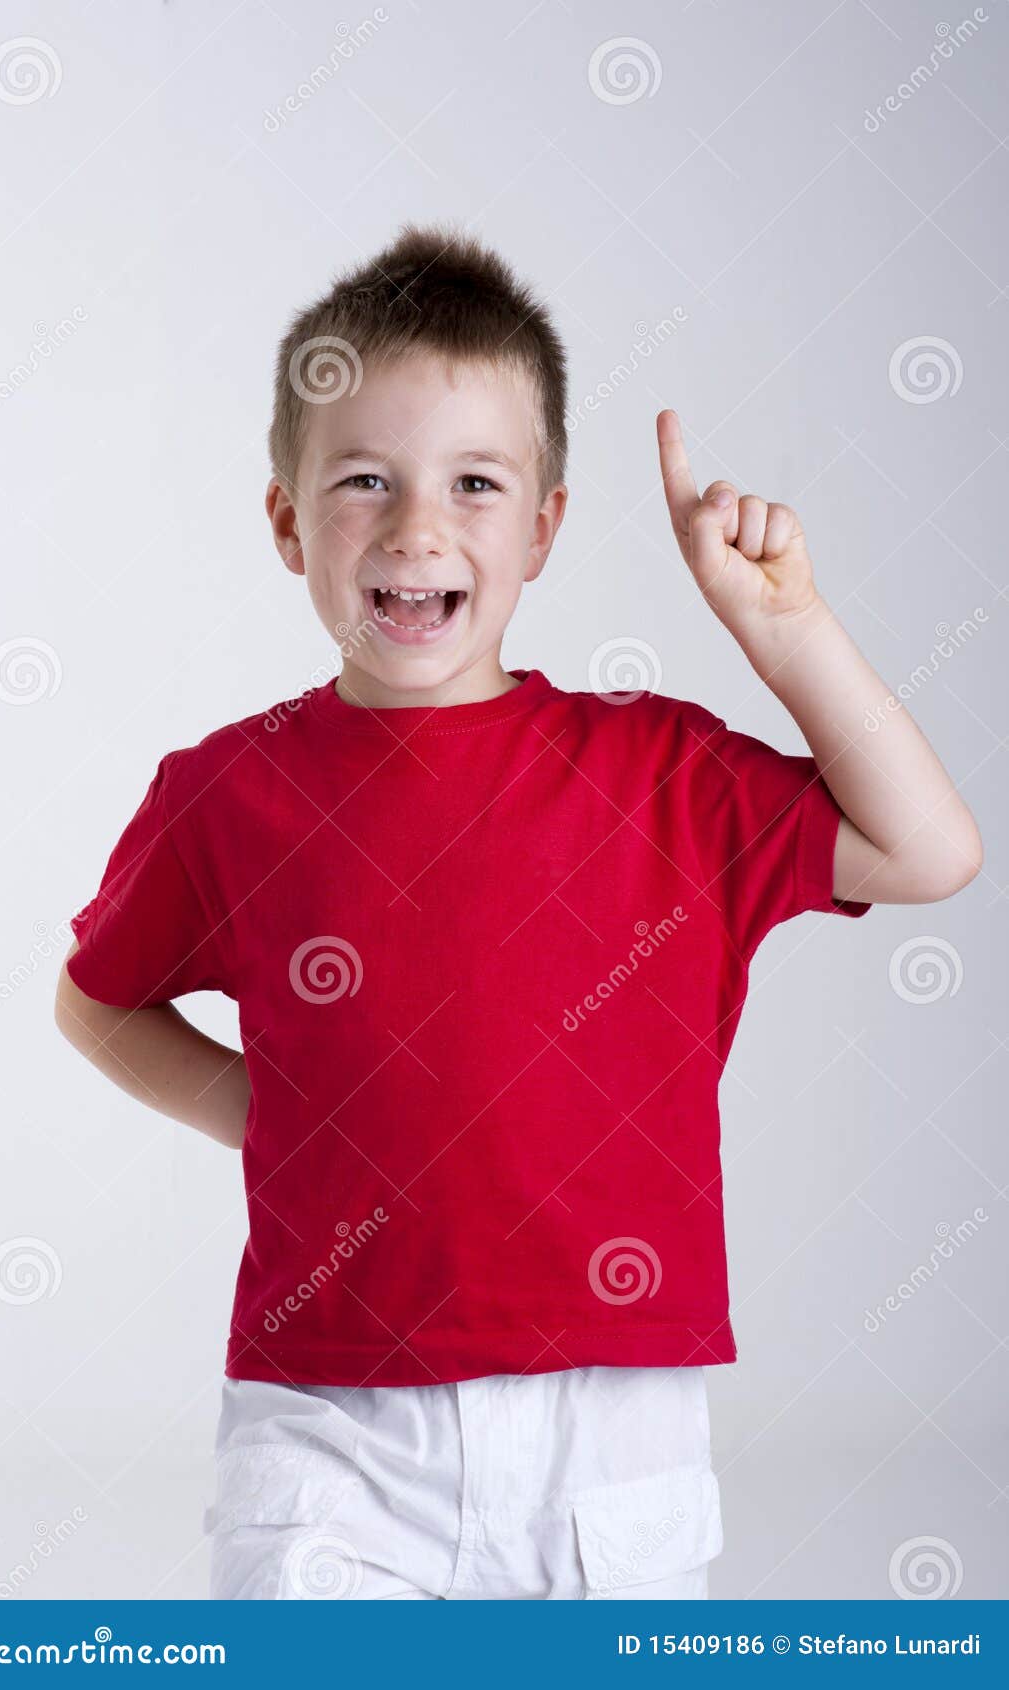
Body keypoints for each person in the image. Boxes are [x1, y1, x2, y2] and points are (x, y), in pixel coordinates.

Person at [54, 222, 982, 1601]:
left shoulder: (660, 770)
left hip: (611, 1438)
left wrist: (781, 628)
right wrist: (269, 1112)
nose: (417, 527)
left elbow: (929, 849)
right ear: (288, 523)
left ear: (543, 527)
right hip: (332, 1434)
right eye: (364, 480)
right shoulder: (225, 793)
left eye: (475, 484)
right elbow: (97, 1000)